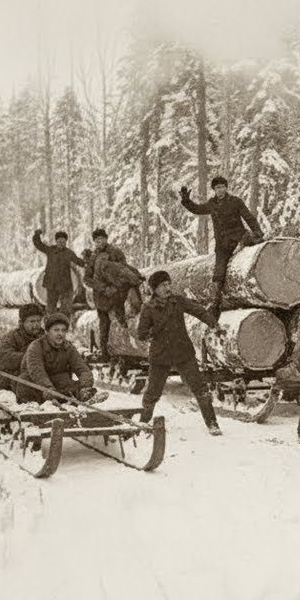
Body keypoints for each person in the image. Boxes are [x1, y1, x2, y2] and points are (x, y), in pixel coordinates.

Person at [134, 271, 221, 434]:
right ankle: (143, 423)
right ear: (155, 289)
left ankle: (212, 423)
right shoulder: (148, 307)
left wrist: (213, 323)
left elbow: (198, 310)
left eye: (169, 284)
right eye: (163, 285)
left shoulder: (178, 301)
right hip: (160, 355)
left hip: (183, 352)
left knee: (200, 388)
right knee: (152, 393)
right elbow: (141, 333)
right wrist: (155, 331)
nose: (168, 288)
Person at [179, 176, 263, 313]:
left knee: (253, 242)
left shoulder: (235, 201)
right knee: (219, 271)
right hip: (223, 242)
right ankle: (216, 301)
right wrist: (186, 201)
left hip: (239, 236)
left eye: (223, 187)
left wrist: (257, 231)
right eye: (218, 188)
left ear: (226, 188)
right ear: (214, 189)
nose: (220, 190)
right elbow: (197, 209)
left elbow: (248, 217)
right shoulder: (211, 204)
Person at [19, 313, 105, 405]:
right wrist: (49, 390)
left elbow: (82, 369)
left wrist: (85, 386)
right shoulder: (36, 347)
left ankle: (83, 395)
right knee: (25, 381)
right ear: (47, 332)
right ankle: (41, 403)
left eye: (63, 330)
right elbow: (37, 372)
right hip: (36, 385)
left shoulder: (68, 347)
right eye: (56, 330)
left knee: (65, 379)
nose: (60, 334)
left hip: (57, 385)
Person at [81, 228, 128, 361]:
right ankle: (105, 353)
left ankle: (126, 351)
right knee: (104, 325)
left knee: (121, 320)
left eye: (101, 239)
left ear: (106, 239)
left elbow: (124, 271)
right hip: (101, 297)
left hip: (117, 295)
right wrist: (103, 288)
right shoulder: (93, 257)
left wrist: (114, 287)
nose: (99, 242)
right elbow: (87, 278)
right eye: (96, 241)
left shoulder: (116, 252)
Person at [33, 229, 85, 316]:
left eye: (63, 241)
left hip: (65, 285)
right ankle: (51, 322)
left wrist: (87, 261)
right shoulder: (51, 250)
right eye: (59, 241)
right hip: (52, 284)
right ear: (56, 241)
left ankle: (64, 322)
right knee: (51, 308)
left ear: (66, 242)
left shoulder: (69, 253)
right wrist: (36, 235)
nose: (61, 243)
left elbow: (78, 261)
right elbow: (39, 245)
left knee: (66, 308)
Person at [0, 304, 44, 392]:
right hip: (11, 381)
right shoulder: (10, 337)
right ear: (21, 322)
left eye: (38, 321)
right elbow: (5, 358)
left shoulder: (44, 337)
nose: (36, 325)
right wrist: (31, 357)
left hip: (38, 379)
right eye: (32, 321)